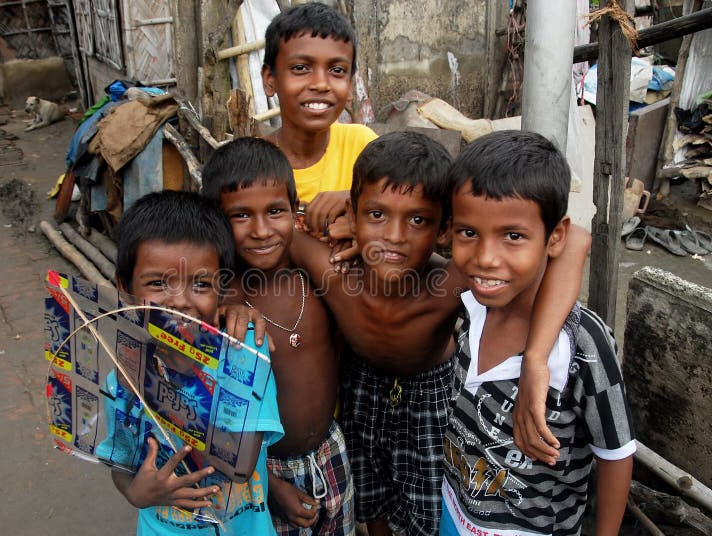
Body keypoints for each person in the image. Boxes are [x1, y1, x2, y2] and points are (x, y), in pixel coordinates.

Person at [290, 131, 590, 536]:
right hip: (360, 383)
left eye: (418, 219)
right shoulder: (332, 266)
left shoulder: (453, 282)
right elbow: (267, 225)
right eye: (376, 214)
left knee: (426, 505)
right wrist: (336, 205)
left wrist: (536, 357)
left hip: (429, 396)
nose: (395, 236)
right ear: (354, 213)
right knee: (369, 492)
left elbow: (575, 241)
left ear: (445, 229)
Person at [440, 130, 634, 535]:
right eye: (469, 233)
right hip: (455, 510)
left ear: (554, 237)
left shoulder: (583, 345)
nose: (486, 258)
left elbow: (615, 454)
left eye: (513, 236)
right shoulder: (470, 306)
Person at [98, 190, 284, 534]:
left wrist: (158, 385)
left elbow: (239, 464)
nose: (180, 302)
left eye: (200, 283)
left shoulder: (243, 353)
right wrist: (136, 493)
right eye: (157, 283)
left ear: (222, 291)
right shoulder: (123, 370)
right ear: (124, 287)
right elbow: (122, 465)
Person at [202, 137, 355, 536]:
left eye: (275, 211)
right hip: (262, 470)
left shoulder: (314, 274)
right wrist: (268, 488)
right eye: (240, 216)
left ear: (294, 212)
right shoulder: (220, 304)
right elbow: (216, 417)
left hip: (331, 450)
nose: (261, 230)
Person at [261, 2, 377, 236]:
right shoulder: (254, 165)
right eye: (301, 68)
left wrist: (355, 199)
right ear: (270, 79)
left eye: (337, 71)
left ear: (351, 85)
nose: (321, 84)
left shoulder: (363, 148)